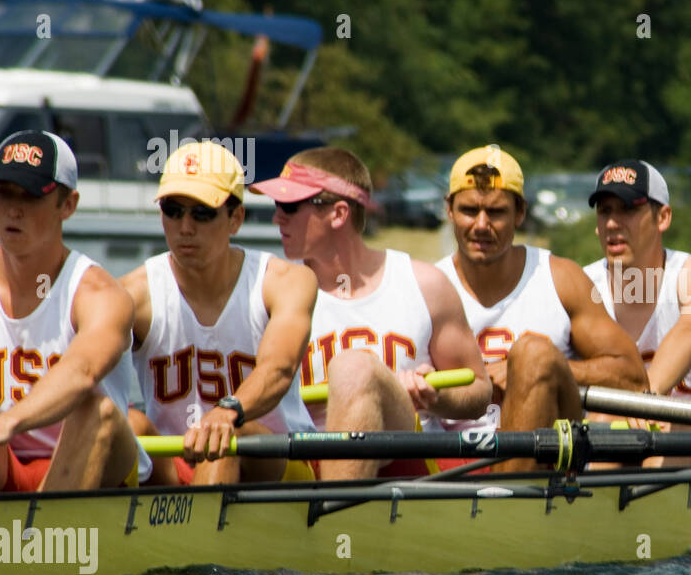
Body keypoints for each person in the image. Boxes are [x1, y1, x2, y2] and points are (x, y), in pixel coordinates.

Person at [251, 147, 492, 481]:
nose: (277, 217)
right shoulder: (268, 293)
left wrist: (435, 398)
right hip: (303, 465)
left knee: (354, 368)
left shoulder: (424, 283)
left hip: (407, 463)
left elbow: (480, 391)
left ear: (338, 214)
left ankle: (336, 523)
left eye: (289, 206)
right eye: (277, 206)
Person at [436, 146, 648, 470]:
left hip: (546, 465)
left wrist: (534, 372)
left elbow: (633, 377)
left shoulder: (562, 278)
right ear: (449, 210)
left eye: (495, 212)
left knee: (533, 354)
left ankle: (510, 506)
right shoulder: (426, 285)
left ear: (520, 213)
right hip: (447, 464)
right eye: (469, 210)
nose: (480, 225)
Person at [124, 141, 318, 485]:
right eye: (173, 210)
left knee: (228, 440)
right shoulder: (132, 293)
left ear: (236, 218)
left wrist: (229, 411)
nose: (185, 227)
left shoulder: (285, 282)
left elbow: (279, 368)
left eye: (202, 213)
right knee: (127, 425)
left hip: (274, 463)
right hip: (178, 465)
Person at [0, 131, 151, 491]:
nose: (13, 210)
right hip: (9, 464)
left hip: (99, 469)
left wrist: (10, 421)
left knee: (96, 410)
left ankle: (50, 543)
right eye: (3, 193)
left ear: (68, 205)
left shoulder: (99, 293)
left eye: (30, 196)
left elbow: (82, 371)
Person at [583, 160, 691, 408]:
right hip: (633, 437)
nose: (612, 223)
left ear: (663, 217)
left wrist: (643, 406)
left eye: (627, 209)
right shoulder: (581, 285)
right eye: (605, 211)